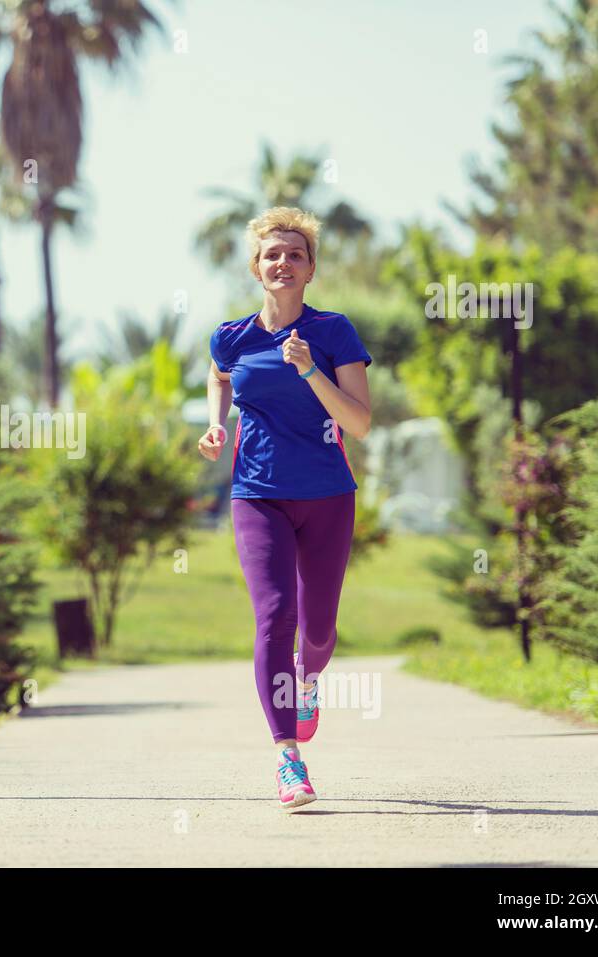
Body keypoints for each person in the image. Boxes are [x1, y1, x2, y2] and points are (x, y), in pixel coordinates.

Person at [198, 206, 372, 811]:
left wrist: (309, 373)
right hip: (258, 494)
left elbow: (360, 421)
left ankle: (309, 678)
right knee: (275, 617)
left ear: (309, 270)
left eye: (294, 254)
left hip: (328, 494)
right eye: (272, 253)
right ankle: (288, 759)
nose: (282, 261)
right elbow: (221, 377)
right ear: (257, 267)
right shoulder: (232, 336)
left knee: (318, 628)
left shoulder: (333, 332)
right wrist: (216, 425)